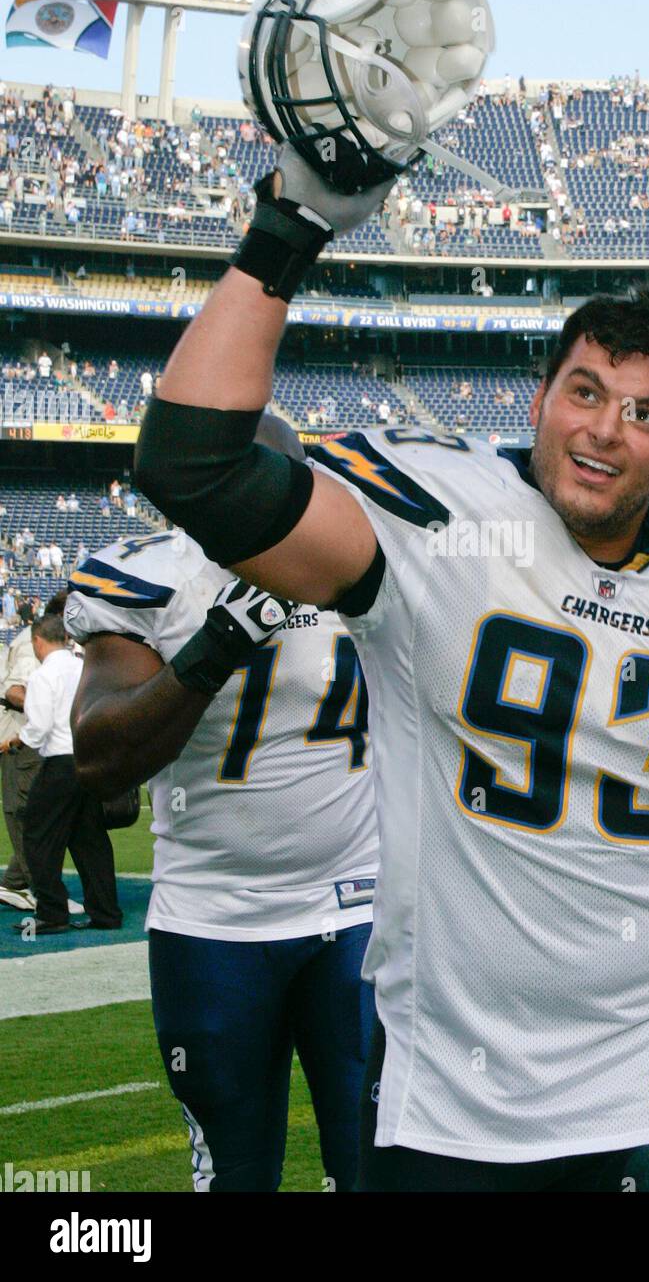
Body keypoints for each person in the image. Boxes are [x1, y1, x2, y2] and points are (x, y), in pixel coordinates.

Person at [134, 152, 649, 1193]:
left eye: (644, 412)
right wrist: (288, 229)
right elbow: (192, 464)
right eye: (585, 392)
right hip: (453, 1072)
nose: (604, 430)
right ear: (539, 398)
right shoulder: (434, 524)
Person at [66, 416, 378, 1193]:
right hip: (214, 921)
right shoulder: (153, 579)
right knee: (234, 1175)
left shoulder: (367, 568)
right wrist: (220, 640)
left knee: (378, 1163)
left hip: (361, 904)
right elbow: (100, 758)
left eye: (280, 490)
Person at [2, 610, 121, 936]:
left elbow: (38, 729)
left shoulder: (43, 675)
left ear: (37, 641)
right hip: (87, 760)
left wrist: (16, 741)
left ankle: (52, 912)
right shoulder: (84, 667)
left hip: (59, 762)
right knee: (90, 840)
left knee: (36, 836)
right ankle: (106, 912)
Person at [0, 615, 42, 910]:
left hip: (20, 733)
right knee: (23, 809)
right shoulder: (31, 643)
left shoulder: (25, 641)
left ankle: (14, 881)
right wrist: (53, 709)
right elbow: (14, 691)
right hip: (14, 734)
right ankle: (41, 888)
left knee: (32, 808)